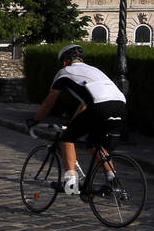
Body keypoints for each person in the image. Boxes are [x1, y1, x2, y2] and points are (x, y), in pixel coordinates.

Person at [28, 44, 126, 195]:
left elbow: (49, 101)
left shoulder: (64, 72)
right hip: (120, 105)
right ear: (81, 58)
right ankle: (113, 180)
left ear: (65, 61)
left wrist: (35, 120)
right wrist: (73, 122)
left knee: (67, 139)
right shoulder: (94, 70)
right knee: (93, 143)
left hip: (100, 107)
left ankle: (71, 183)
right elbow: (86, 102)